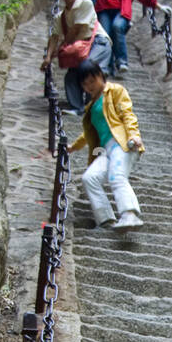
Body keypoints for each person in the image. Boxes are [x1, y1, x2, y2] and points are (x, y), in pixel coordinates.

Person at [69, 59, 145, 231]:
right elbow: (89, 134)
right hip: (106, 150)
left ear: (101, 76)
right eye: (85, 84)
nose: (89, 86)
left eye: (92, 80)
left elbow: (127, 114)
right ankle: (106, 220)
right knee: (89, 178)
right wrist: (73, 147)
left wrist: (134, 135)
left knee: (116, 176)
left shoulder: (115, 91)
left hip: (122, 144)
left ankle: (130, 215)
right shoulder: (90, 106)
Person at [41, 0, 113, 113]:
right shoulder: (60, 17)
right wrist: (48, 57)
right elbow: (54, 36)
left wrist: (61, 49)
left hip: (98, 43)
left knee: (88, 68)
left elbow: (78, 29)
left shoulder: (85, 4)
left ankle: (98, 103)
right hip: (81, 48)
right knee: (71, 76)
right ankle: (77, 106)